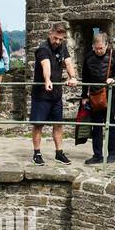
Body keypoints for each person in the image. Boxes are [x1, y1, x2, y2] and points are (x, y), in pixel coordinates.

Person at [29, 23, 77, 165]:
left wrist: (72, 77)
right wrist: (47, 79)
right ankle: (37, 153)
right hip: (41, 94)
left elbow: (68, 63)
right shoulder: (43, 49)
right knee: (38, 125)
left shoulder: (62, 47)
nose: (57, 42)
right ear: (50, 33)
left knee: (58, 124)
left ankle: (59, 153)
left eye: (60, 39)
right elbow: (46, 65)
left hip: (56, 94)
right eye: (55, 38)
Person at [80, 30, 115, 164]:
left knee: (110, 123)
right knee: (96, 126)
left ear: (106, 45)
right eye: (97, 48)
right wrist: (84, 95)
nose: (99, 51)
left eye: (101, 48)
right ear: (93, 46)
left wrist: (113, 79)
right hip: (94, 95)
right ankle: (97, 155)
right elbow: (85, 77)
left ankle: (113, 153)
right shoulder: (89, 57)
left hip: (110, 94)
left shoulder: (114, 55)